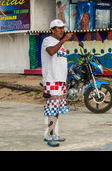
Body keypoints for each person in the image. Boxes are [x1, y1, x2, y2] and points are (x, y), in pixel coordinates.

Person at [41, 19, 72, 147]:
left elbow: (61, 62)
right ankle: (50, 137)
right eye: (59, 28)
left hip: (60, 81)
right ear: (52, 30)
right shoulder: (47, 40)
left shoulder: (60, 44)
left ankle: (53, 134)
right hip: (51, 80)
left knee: (57, 108)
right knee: (51, 109)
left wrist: (65, 78)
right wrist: (64, 40)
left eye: (62, 28)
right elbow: (51, 52)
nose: (61, 30)